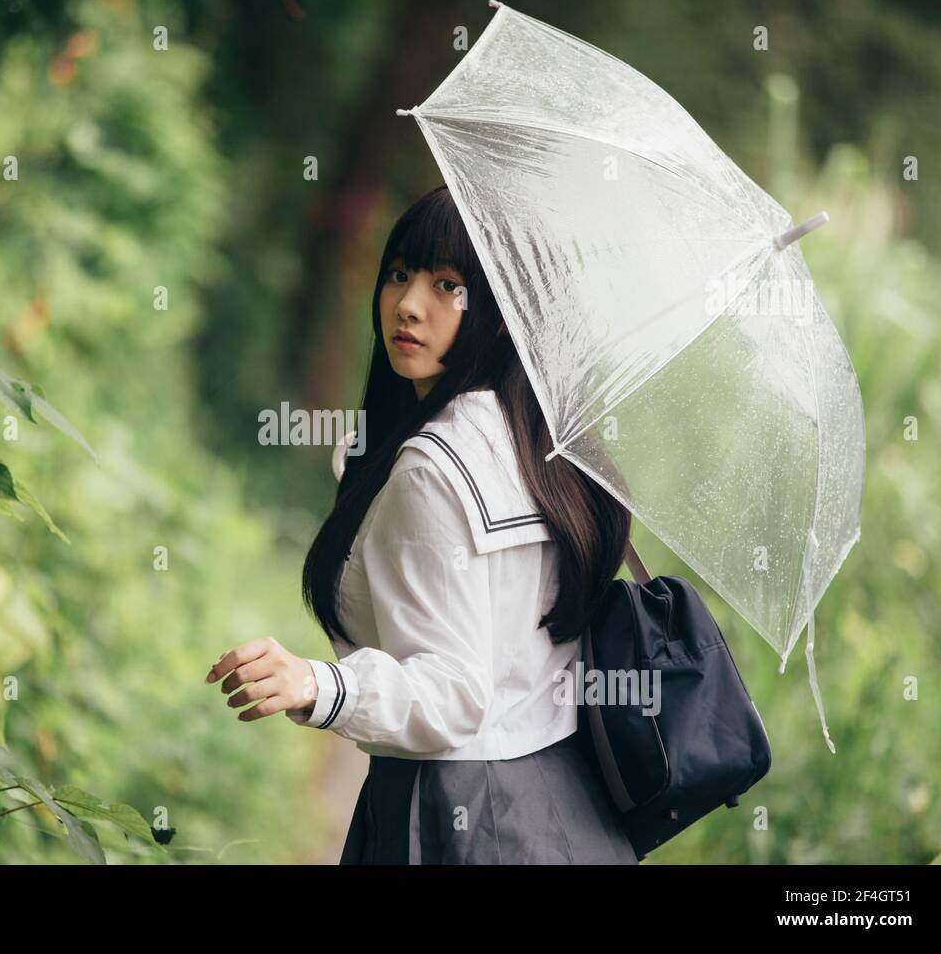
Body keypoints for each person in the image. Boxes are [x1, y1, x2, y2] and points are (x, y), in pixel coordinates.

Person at [204, 184, 638, 864]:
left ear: (499, 314)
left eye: (449, 286)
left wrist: (317, 684)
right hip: (560, 809)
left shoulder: (434, 467)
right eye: (401, 274)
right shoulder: (540, 443)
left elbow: (457, 695)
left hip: (450, 816)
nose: (409, 304)